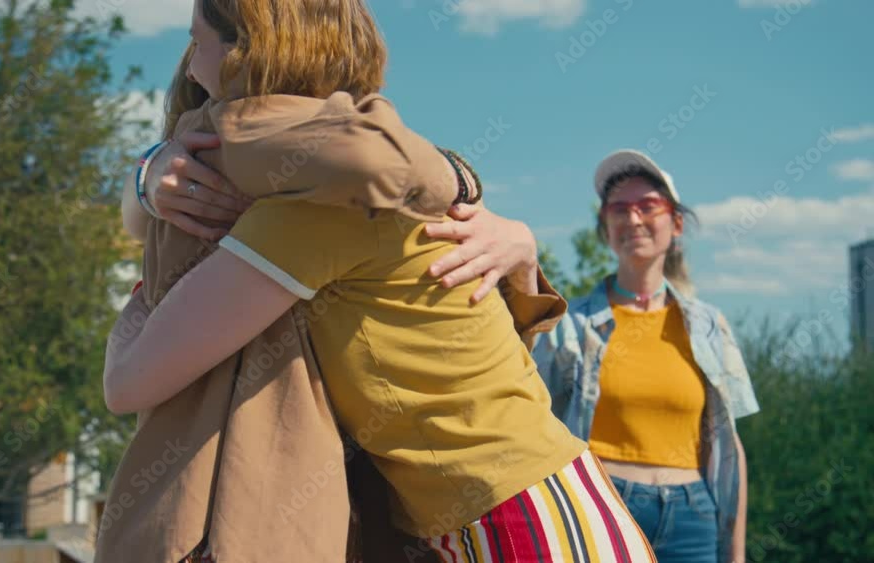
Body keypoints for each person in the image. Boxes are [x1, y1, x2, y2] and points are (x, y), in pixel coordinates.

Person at [104, 2, 657, 562]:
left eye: (196, 43)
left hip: (516, 518)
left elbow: (130, 382)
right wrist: (149, 174)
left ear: (240, 58)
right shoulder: (350, 185)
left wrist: (144, 297)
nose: (189, 64)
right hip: (511, 506)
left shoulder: (314, 210)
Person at [532, 149, 760, 563]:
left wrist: (737, 553)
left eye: (647, 207)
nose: (633, 219)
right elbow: (534, 428)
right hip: (602, 507)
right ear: (606, 227)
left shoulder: (710, 326)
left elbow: (729, 446)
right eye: (619, 209)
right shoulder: (568, 323)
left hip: (695, 518)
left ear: (675, 225)